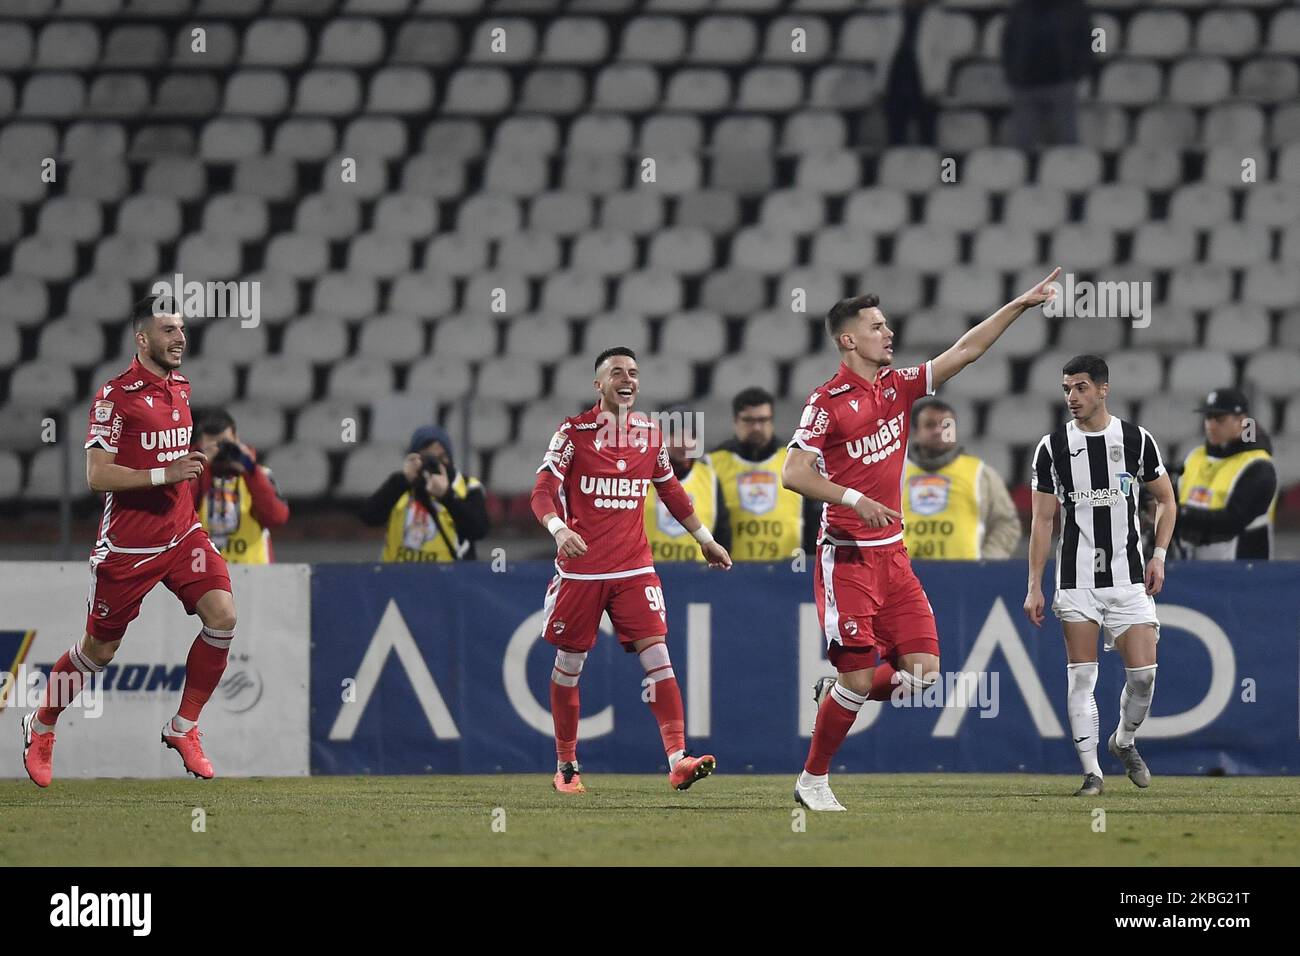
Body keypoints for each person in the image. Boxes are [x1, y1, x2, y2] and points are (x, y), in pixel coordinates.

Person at [784, 268, 1061, 811]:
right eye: (877, 326)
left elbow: (966, 351)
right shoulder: (827, 402)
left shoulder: (897, 385)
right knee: (861, 676)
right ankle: (813, 779)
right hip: (848, 558)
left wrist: (1020, 305)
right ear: (849, 340)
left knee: (924, 678)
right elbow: (794, 473)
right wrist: (853, 500)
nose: (889, 334)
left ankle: (839, 691)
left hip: (894, 557)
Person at [22, 295, 236, 787]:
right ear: (142, 339)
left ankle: (184, 726)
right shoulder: (113, 397)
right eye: (167, 330)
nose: (179, 337)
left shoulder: (181, 388)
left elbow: (176, 463)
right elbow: (97, 476)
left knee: (223, 617)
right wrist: (166, 472)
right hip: (128, 547)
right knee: (99, 651)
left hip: (183, 534)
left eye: (181, 328)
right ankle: (41, 725)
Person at [530, 347, 732, 794]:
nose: (628, 379)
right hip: (581, 571)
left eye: (634, 373)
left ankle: (678, 759)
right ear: (598, 385)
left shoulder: (650, 434)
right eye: (616, 372)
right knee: (570, 664)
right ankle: (566, 766)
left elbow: (672, 492)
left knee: (658, 654)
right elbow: (542, 491)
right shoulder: (573, 433)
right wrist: (559, 530)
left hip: (634, 568)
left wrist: (705, 539)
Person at [1025, 355, 1177, 797]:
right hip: (1076, 582)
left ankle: (1123, 741)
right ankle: (1092, 773)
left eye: (1081, 388)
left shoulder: (1136, 439)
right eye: (1067, 389)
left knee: (1144, 676)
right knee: (1082, 677)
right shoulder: (1051, 448)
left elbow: (1166, 500)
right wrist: (1034, 585)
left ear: (1103, 389)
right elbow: (1041, 521)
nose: (1072, 397)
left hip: (1129, 579)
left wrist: (1159, 555)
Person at [903, 396, 1021, 559]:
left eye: (946, 426)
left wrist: (987, 564)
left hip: (964, 578)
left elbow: (1006, 523)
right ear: (915, 432)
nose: (939, 431)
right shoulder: (895, 474)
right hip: (904, 576)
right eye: (930, 425)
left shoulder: (981, 474)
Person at [709, 387, 818, 562]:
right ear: (736, 421)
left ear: (772, 421)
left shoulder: (794, 462)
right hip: (731, 575)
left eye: (763, 420)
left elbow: (813, 521)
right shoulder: (712, 464)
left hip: (788, 573)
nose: (757, 427)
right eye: (749, 421)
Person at [359, 425, 488, 562]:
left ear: (450, 458)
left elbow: (479, 529)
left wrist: (447, 497)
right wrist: (403, 482)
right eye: (428, 458)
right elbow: (369, 517)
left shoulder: (467, 486)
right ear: (414, 458)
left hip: (448, 578)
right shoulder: (400, 484)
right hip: (397, 576)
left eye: (442, 457)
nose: (436, 464)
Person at [1175, 388, 1277, 560]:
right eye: (1208, 417)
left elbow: (1232, 522)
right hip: (1191, 570)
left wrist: (1178, 514)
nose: (1210, 425)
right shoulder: (1195, 457)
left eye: (1219, 419)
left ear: (1242, 421)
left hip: (1241, 573)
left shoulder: (1258, 466)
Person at [193, 409, 289, 564]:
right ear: (201, 445)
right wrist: (202, 467)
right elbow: (180, 513)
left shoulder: (259, 475)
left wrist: (250, 471)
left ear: (236, 439)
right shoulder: (191, 477)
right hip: (206, 572)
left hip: (254, 573)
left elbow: (277, 517)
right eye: (213, 446)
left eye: (225, 445)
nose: (221, 452)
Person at [1002, 0, 1093, 150]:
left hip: (1061, 84)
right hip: (1024, 87)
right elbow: (1007, 40)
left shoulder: (1075, 7)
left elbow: (1091, 39)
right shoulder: (1020, 7)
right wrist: (1013, 73)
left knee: (1067, 146)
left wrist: (1077, 72)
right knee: (1021, 146)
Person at [643, 406, 730, 562]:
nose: (684, 443)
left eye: (691, 436)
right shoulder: (641, 475)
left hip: (697, 577)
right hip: (648, 573)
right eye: (675, 435)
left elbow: (723, 533)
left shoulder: (709, 478)